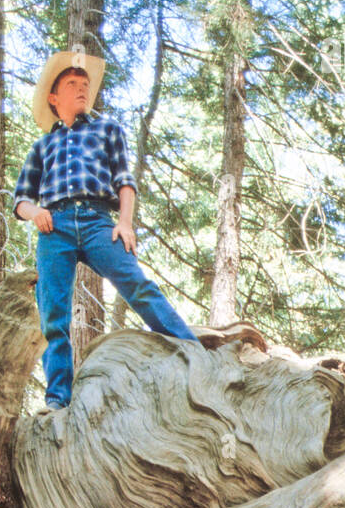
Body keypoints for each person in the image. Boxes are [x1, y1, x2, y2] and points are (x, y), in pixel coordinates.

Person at [12, 48, 203, 411]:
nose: (82, 89)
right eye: (72, 84)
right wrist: (36, 211)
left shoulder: (107, 129)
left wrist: (126, 223)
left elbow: (124, 182)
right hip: (55, 227)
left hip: (100, 221)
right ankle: (58, 399)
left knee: (139, 286)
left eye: (85, 84)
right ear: (55, 97)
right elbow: (20, 200)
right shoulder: (42, 146)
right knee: (53, 313)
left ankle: (193, 351)